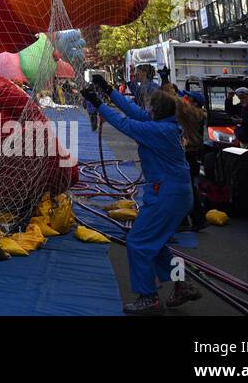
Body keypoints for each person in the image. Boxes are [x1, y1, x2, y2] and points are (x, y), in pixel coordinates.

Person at [83, 74, 201, 314]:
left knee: (137, 242)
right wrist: (109, 90)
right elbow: (133, 111)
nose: (146, 108)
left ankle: (148, 297)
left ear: (156, 110)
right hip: (176, 194)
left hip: (166, 196)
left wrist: (98, 103)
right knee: (157, 245)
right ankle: (182, 284)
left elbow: (125, 123)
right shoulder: (167, 124)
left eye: (149, 106)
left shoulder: (157, 131)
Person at [175, 89, 208, 230]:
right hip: (189, 154)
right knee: (186, 188)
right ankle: (190, 220)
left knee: (184, 189)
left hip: (188, 154)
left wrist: (170, 89)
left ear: (194, 103)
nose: (185, 100)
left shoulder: (194, 115)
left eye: (188, 98)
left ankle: (192, 220)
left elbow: (176, 103)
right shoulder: (193, 114)